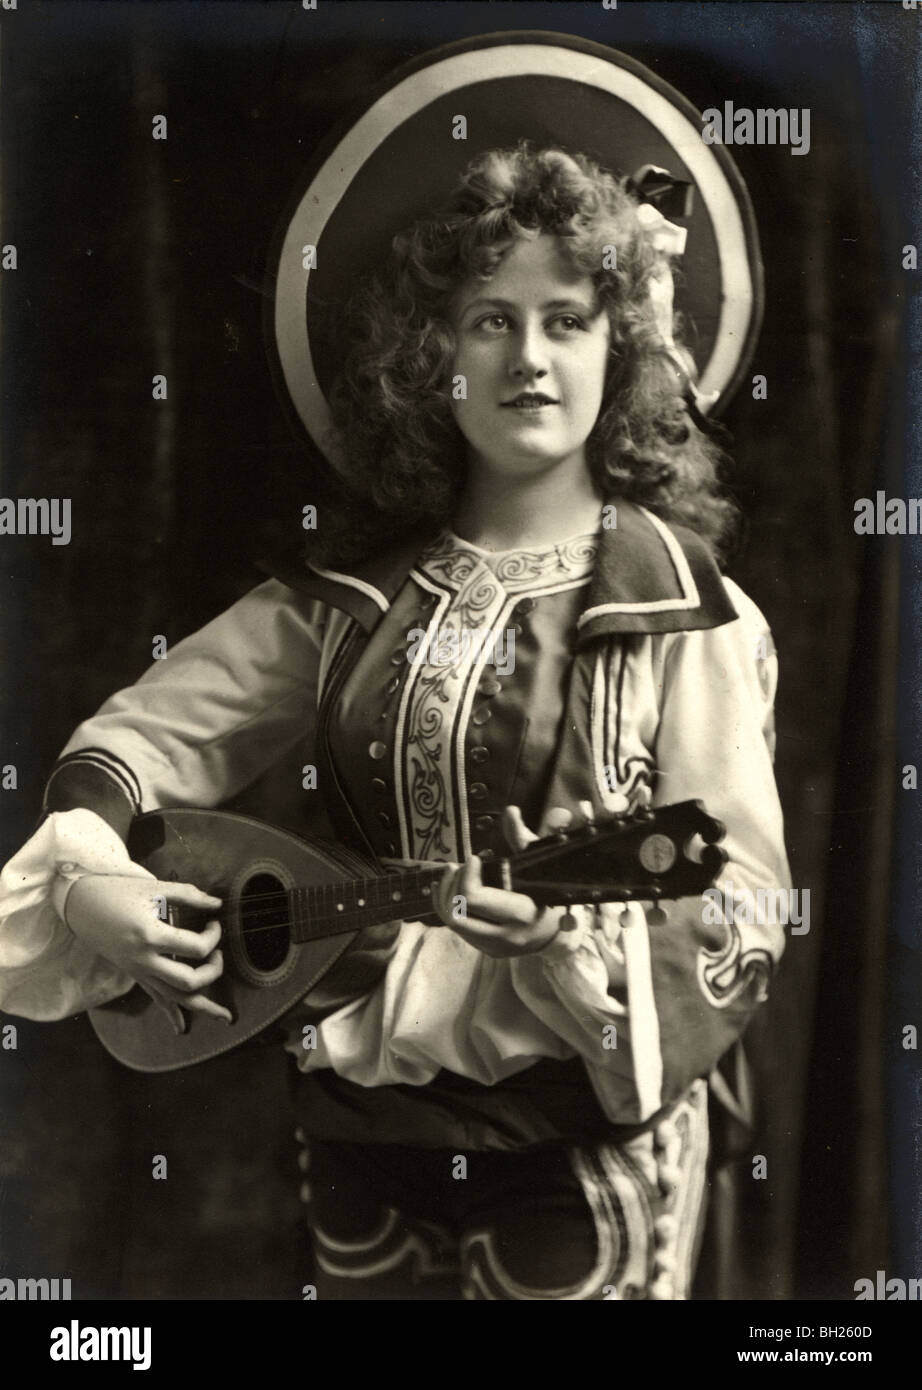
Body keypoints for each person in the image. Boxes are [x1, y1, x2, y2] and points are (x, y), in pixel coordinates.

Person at [0, 141, 789, 1300]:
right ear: (433, 356)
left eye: (565, 320)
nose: (527, 358)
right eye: (488, 321)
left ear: (618, 348)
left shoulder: (685, 610)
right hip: (359, 1115)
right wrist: (86, 882)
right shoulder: (352, 596)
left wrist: (570, 950)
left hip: (575, 1136)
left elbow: (743, 909)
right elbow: (143, 735)